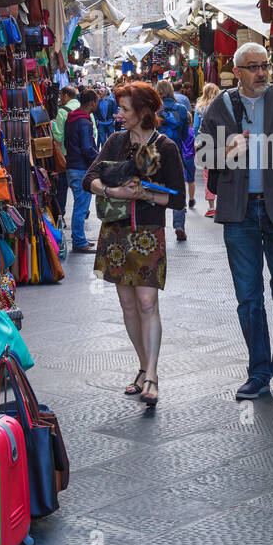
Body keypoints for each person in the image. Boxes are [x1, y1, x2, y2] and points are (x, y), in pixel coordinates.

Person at [199, 41, 273, 400]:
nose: (262, 72)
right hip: (239, 212)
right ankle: (259, 371)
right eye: (253, 67)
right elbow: (204, 156)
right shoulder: (220, 106)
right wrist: (229, 150)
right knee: (249, 297)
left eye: (265, 65)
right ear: (238, 72)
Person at [83, 83, 186, 406]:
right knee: (128, 305)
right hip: (115, 232)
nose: (119, 114)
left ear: (143, 112)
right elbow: (90, 178)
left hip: (147, 232)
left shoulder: (165, 147)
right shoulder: (115, 142)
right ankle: (142, 366)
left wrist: (144, 195)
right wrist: (113, 192)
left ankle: (152, 375)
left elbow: (178, 197)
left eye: (125, 109)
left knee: (146, 303)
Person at [156, 80, 194, 241]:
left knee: (157, 188)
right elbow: (185, 134)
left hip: (156, 153)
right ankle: (179, 225)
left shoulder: (155, 110)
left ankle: (158, 226)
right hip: (175, 152)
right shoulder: (181, 109)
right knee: (177, 188)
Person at [64, 88, 101, 254]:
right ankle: (79, 242)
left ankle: (80, 239)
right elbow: (87, 148)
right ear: (92, 102)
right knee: (81, 207)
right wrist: (100, 160)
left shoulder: (72, 118)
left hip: (71, 165)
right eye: (97, 101)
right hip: (80, 169)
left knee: (80, 206)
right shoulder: (84, 122)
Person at [51, 85, 80, 219]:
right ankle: (82, 212)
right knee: (79, 188)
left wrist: (53, 127)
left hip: (65, 155)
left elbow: (58, 136)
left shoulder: (63, 111)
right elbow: (94, 131)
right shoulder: (84, 109)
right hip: (80, 156)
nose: (60, 99)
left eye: (61, 96)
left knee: (62, 187)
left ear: (66, 96)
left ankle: (61, 214)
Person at [194, 82, 221, 218]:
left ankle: (211, 207)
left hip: (205, 143)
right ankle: (222, 205)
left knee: (207, 176)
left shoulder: (200, 108)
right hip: (221, 143)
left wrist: (197, 143)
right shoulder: (223, 106)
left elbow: (196, 128)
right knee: (222, 173)